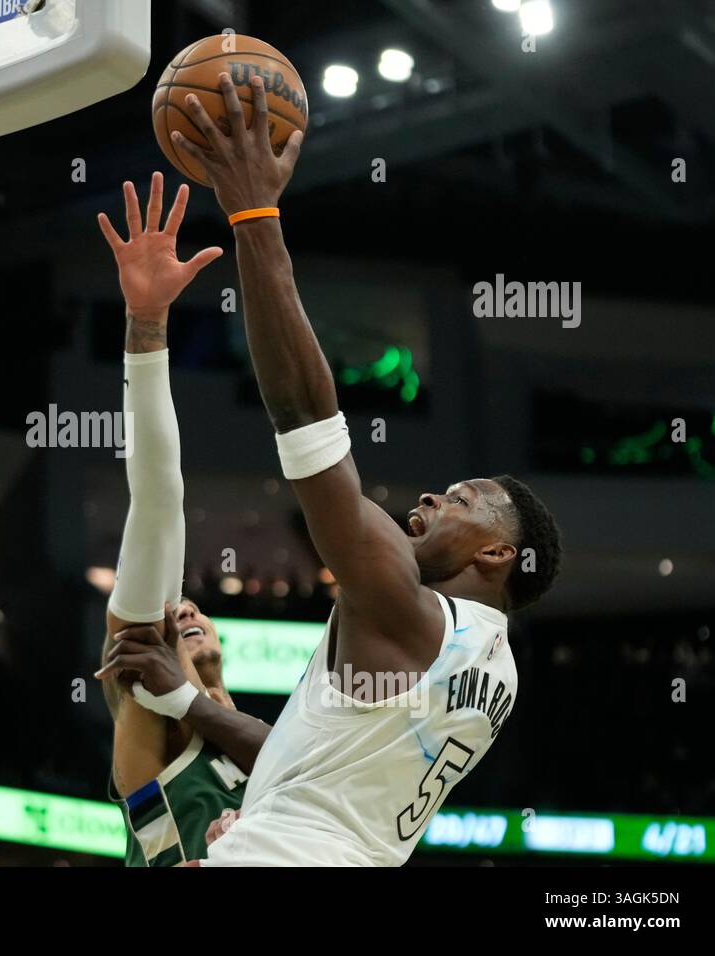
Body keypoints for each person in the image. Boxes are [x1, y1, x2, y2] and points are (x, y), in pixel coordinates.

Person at [154, 72, 564, 866]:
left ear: (494, 553)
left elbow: (306, 417)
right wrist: (184, 701)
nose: (432, 496)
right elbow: (317, 764)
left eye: (462, 499)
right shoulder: (494, 671)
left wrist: (252, 214)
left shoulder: (405, 609)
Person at [92, 173, 272, 867]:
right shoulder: (150, 686)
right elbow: (159, 494)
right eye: (181, 608)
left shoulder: (258, 744)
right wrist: (147, 324)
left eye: (196, 608)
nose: (186, 610)